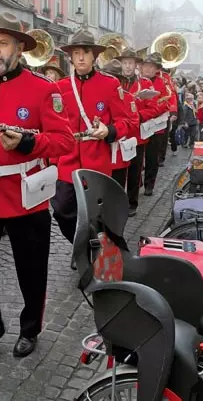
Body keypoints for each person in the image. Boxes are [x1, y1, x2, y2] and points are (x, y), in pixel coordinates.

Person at [0, 13, 74, 362]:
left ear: (19, 48)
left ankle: (30, 329)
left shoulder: (44, 88)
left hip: (26, 195)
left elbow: (64, 142)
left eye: (3, 44)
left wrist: (28, 144)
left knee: (31, 269)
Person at [52, 29, 132, 245]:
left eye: (85, 53)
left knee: (97, 217)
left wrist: (109, 131)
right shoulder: (59, 87)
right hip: (67, 163)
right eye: (76, 53)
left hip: (97, 163)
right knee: (61, 211)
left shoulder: (110, 84)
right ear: (70, 56)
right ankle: (83, 245)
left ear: (94, 56)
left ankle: (94, 258)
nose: (80, 58)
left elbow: (126, 122)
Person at [117, 47, 162, 217]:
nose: (128, 66)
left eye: (131, 63)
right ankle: (118, 200)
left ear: (136, 65)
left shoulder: (146, 83)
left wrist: (136, 115)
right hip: (119, 134)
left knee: (135, 171)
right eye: (125, 63)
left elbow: (154, 109)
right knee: (119, 172)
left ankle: (132, 203)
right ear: (121, 64)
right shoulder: (114, 81)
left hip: (137, 135)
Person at [101, 59, 140, 188]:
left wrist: (115, 130)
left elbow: (134, 122)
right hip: (98, 152)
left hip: (118, 152)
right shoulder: (97, 95)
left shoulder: (128, 98)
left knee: (117, 189)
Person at [139, 52, 172, 196]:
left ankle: (149, 184)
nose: (148, 69)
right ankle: (137, 181)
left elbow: (165, 103)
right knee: (136, 158)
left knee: (152, 158)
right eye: (145, 66)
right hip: (138, 125)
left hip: (155, 127)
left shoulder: (162, 83)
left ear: (156, 68)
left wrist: (151, 112)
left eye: (151, 67)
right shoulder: (136, 81)